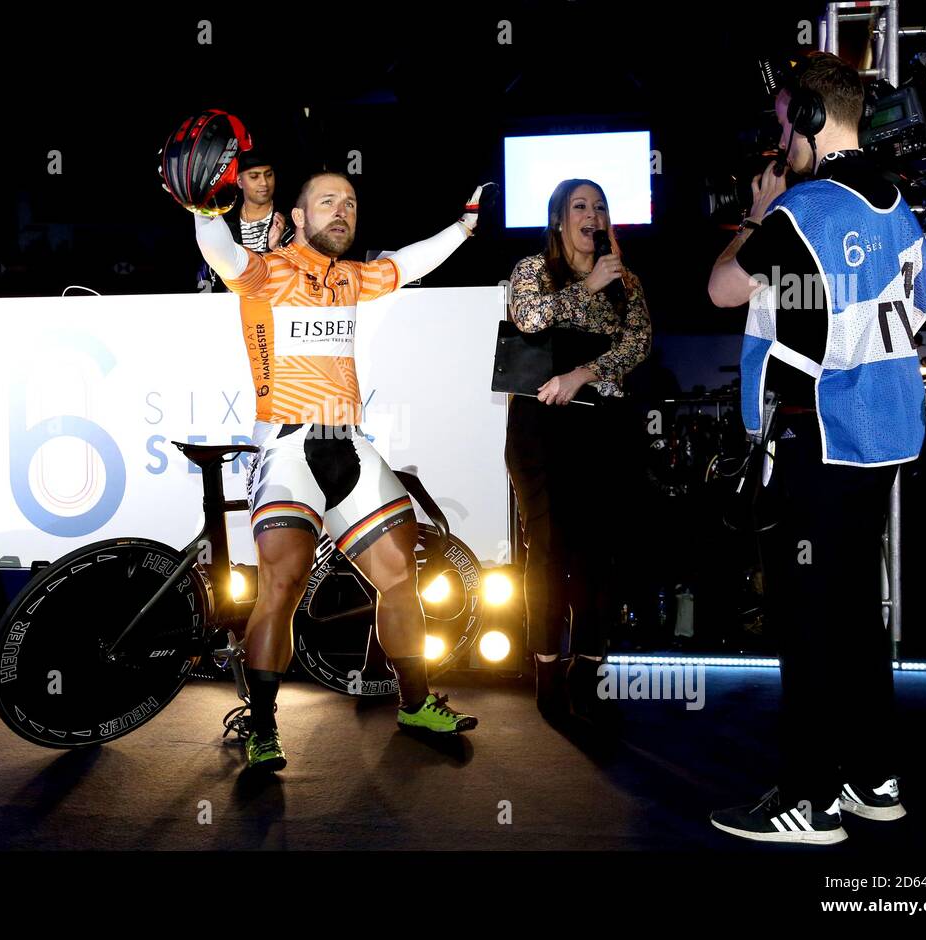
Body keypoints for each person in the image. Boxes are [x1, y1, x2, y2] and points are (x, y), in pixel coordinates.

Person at [707, 52, 926, 843]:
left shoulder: (803, 211)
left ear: (807, 117)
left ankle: (808, 798)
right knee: (854, 617)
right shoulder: (894, 202)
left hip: (823, 440)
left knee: (809, 619)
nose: (780, 141)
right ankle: (874, 777)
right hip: (885, 437)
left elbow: (722, 288)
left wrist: (757, 213)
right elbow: (925, 296)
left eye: (782, 124)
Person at [193, 170, 489, 771]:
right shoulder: (267, 271)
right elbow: (220, 251)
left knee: (400, 575)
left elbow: (406, 265)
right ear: (297, 219)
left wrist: (462, 228)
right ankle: (263, 725)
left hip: (348, 444)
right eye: (326, 201)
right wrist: (203, 210)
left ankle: (414, 703)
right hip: (288, 445)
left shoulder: (351, 277)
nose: (341, 211)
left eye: (350, 202)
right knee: (282, 584)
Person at [504, 179, 652, 728]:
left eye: (601, 206)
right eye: (581, 206)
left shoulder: (625, 278)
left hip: (600, 427)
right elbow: (529, 319)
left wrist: (583, 373)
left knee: (595, 553)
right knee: (546, 550)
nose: (593, 215)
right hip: (540, 431)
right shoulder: (532, 270)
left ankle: (587, 669)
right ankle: (545, 665)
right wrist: (588, 286)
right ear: (560, 218)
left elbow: (637, 344)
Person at [198, 148, 294, 291]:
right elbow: (207, 274)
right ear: (239, 181)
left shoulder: (291, 223)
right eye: (254, 176)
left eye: (268, 175)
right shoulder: (225, 224)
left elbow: (305, 276)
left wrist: (277, 248)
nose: (264, 183)